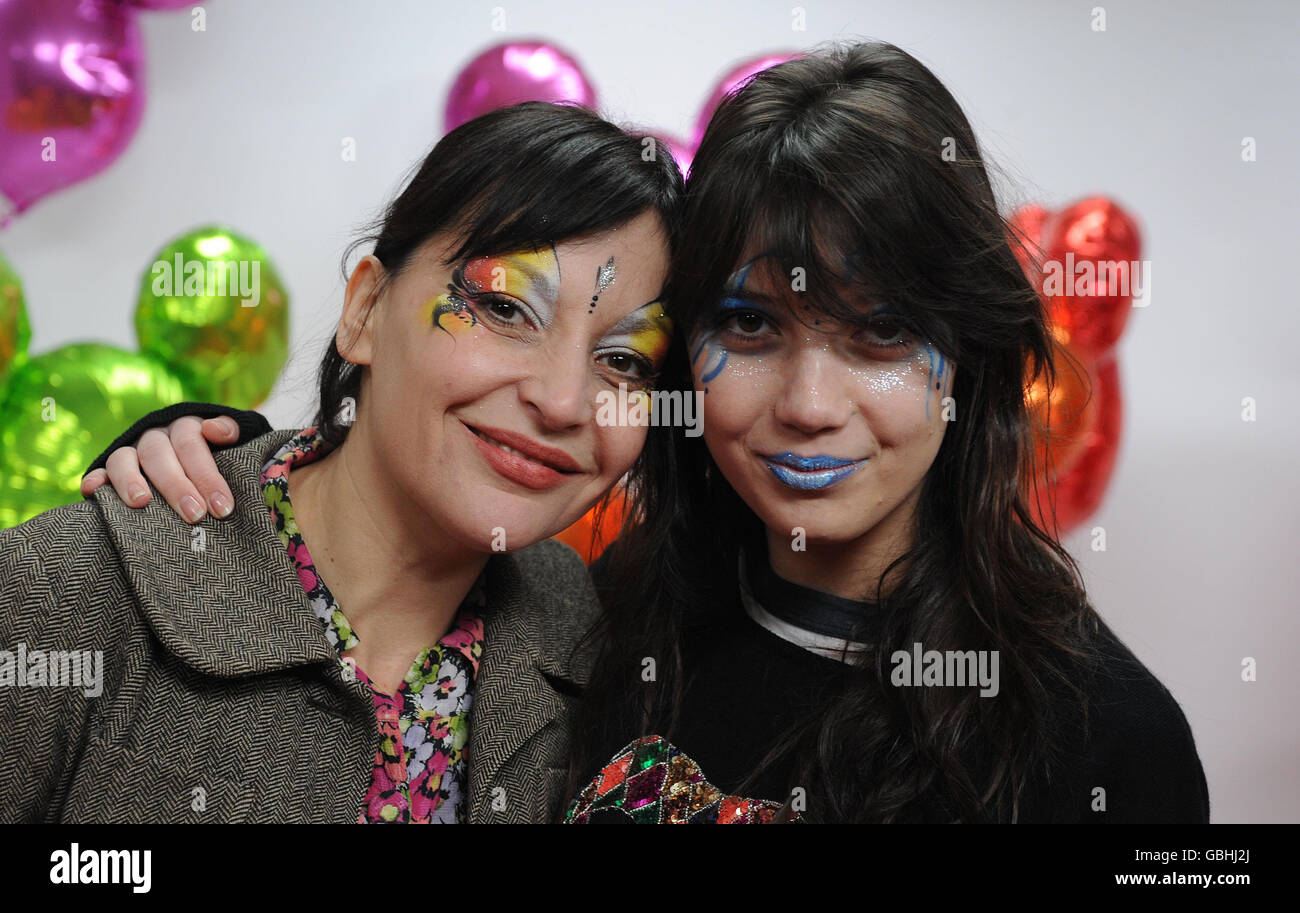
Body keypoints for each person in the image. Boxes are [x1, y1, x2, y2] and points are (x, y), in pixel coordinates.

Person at [80, 41, 1210, 824]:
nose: (809, 403)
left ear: (964, 351)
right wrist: (203, 453)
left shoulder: (1105, 739)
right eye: (752, 325)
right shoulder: (595, 625)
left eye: (878, 334)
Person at [0, 100, 682, 823]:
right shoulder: (62, 594)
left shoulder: (601, 645)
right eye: (506, 309)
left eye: (624, 360)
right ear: (365, 310)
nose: (563, 399)